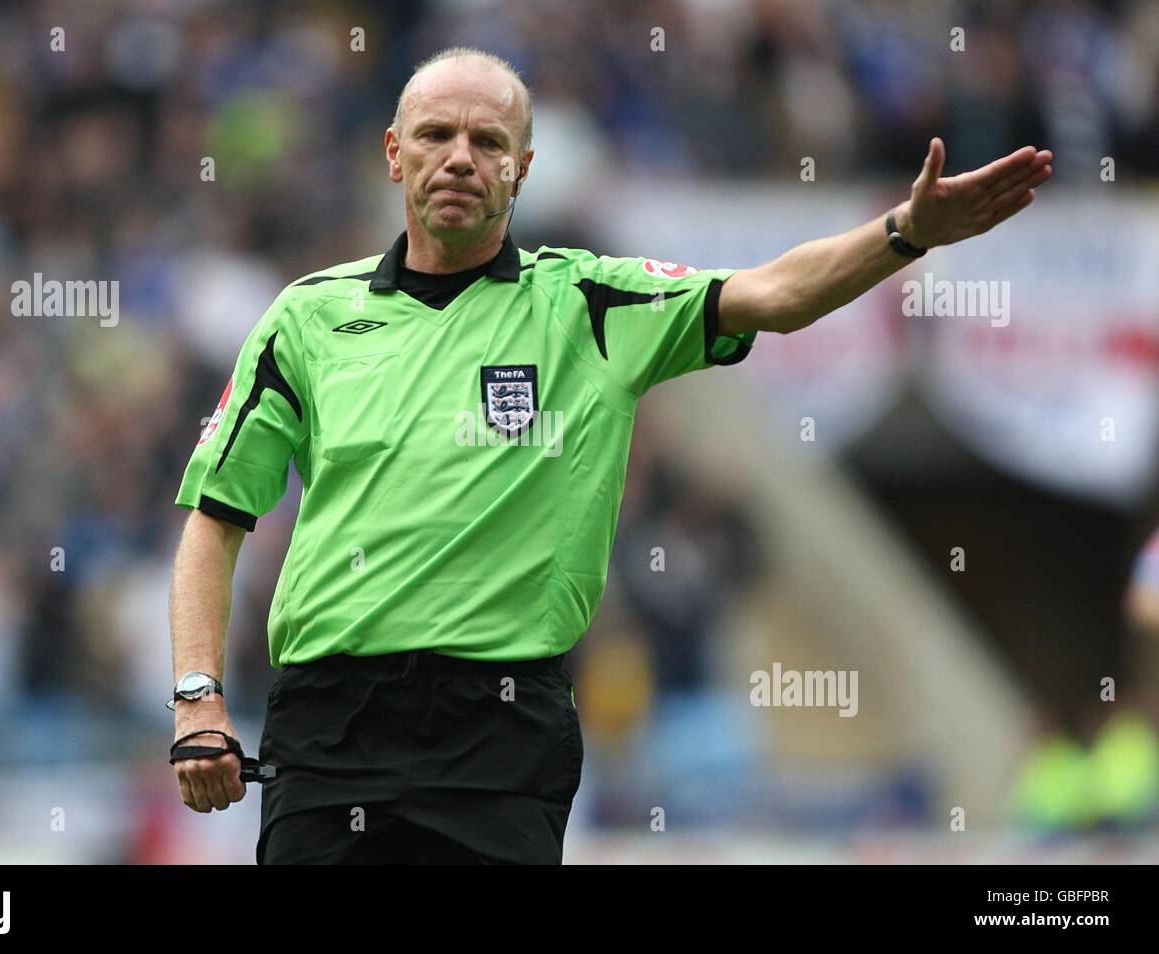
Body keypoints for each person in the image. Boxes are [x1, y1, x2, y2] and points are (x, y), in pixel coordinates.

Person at [167, 46, 1054, 864]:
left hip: (498, 731)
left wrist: (905, 231)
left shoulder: (590, 305)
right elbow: (217, 519)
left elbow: (777, 294)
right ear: (395, 153)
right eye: (437, 135)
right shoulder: (309, 318)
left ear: (524, 167)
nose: (461, 157)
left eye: (489, 140)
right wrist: (199, 696)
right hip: (329, 726)